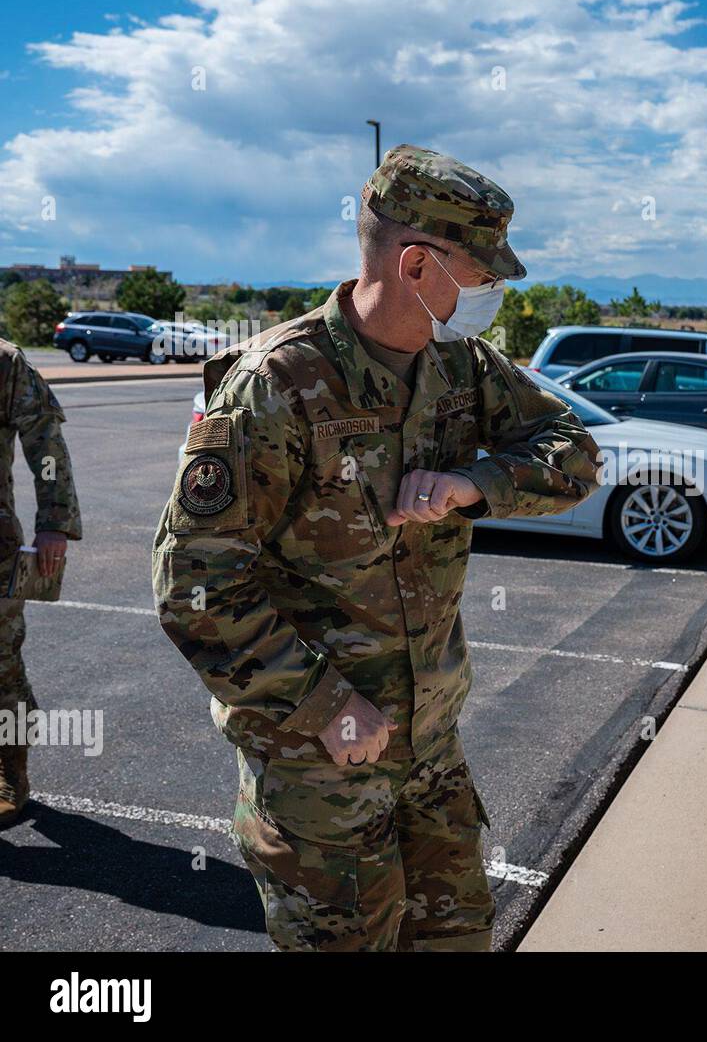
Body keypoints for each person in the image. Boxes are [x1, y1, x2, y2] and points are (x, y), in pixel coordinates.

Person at [152, 145, 600, 951]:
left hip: (430, 749)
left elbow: (574, 454)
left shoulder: (463, 367)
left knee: (458, 935)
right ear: (418, 264)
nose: (491, 295)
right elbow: (193, 584)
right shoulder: (277, 383)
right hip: (320, 766)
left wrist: (476, 482)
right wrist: (325, 704)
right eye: (482, 275)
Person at [0, 338, 81, 826]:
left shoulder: (4, 364)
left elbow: (45, 440)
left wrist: (54, 521)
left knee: (0, 662)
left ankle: (10, 770)